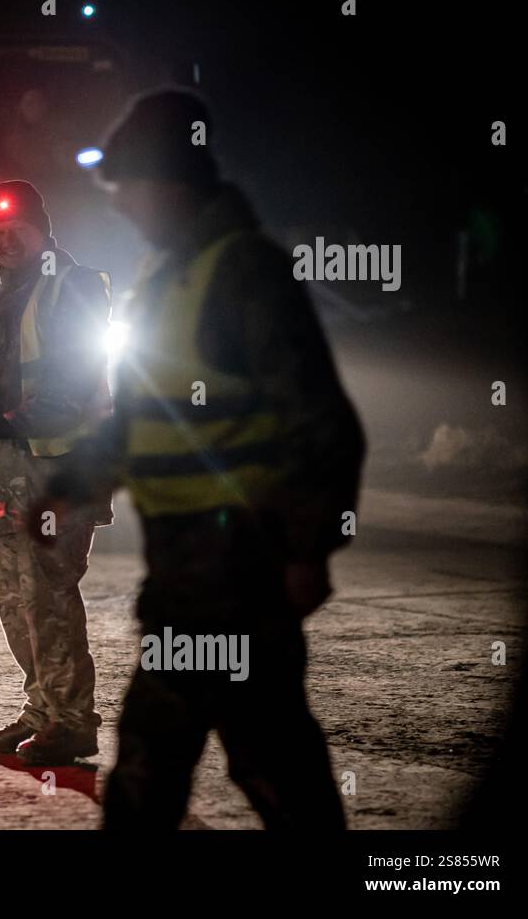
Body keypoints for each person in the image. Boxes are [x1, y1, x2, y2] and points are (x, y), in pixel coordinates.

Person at [51, 88, 365, 827]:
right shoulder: (166, 280)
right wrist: (66, 486)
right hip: (183, 587)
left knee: (269, 765)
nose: (121, 205)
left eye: (127, 187)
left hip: (244, 583)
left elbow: (323, 424)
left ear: (166, 183)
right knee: (152, 776)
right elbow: (138, 421)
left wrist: (307, 551)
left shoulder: (242, 273)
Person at [0, 180, 114, 765]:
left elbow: (77, 378)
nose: (3, 242)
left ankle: (72, 721)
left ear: (42, 230)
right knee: (16, 599)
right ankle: (43, 708)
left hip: (60, 474)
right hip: (5, 475)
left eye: (15, 230)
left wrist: (7, 416)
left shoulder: (73, 288)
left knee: (49, 595)